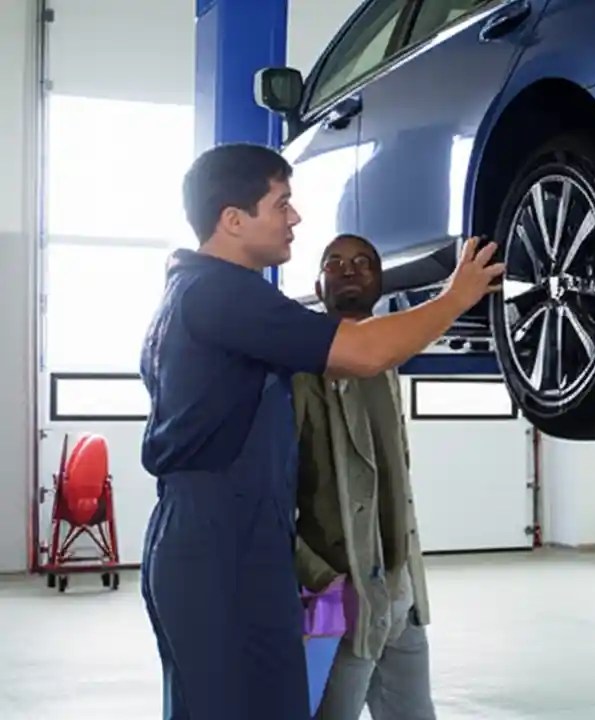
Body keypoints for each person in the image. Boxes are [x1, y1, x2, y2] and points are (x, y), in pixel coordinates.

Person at [138, 142, 503, 720]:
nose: (295, 217)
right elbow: (362, 350)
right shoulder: (223, 293)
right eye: (281, 203)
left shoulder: (194, 292)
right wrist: (456, 297)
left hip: (224, 537)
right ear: (233, 219)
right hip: (220, 546)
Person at [293, 234, 435, 719]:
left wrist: (405, 587)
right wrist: (324, 578)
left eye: (362, 262)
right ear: (319, 285)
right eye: (334, 262)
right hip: (344, 597)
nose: (348, 269)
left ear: (379, 282)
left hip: (400, 593)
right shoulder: (300, 373)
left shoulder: (388, 363)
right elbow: (268, 497)